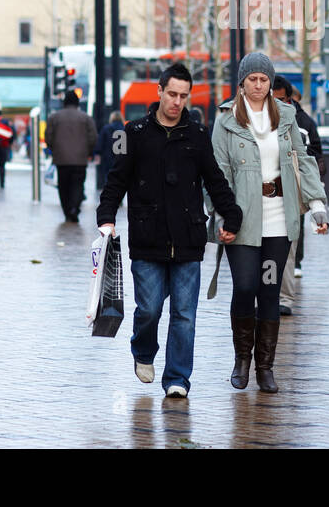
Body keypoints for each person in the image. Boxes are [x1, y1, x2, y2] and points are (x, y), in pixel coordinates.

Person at [97, 63, 241, 398]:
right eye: (172, 94)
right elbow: (115, 180)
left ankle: (177, 378)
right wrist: (107, 217)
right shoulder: (132, 133)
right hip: (147, 238)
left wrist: (230, 216)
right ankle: (143, 352)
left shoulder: (197, 135)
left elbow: (215, 180)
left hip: (189, 239)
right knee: (149, 309)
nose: (177, 101)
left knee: (184, 315)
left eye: (183, 96)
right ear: (159, 91)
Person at [211, 53, 328, 393]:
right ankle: (241, 360)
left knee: (270, 291)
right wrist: (222, 213)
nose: (259, 85)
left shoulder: (287, 116)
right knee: (245, 287)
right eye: (253, 79)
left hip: (279, 217)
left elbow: (303, 161)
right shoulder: (226, 119)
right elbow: (218, 171)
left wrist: (317, 203)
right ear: (242, 82)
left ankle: (265, 367)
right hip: (242, 218)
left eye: (264, 79)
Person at [271, 75, 323, 305]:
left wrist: (314, 186)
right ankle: (268, 293)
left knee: (292, 234)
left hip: (296, 184)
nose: (276, 104)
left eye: (281, 99)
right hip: (267, 192)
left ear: (289, 99)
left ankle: (285, 293)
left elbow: (313, 154)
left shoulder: (303, 121)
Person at [46, 89, 96, 221]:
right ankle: (75, 207)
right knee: (78, 184)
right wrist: (87, 151)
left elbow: (48, 137)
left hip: (61, 159)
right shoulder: (85, 118)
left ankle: (67, 210)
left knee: (63, 185)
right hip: (80, 159)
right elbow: (93, 137)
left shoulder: (54, 117)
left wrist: (54, 149)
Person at [94, 110, 125, 190]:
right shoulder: (125, 129)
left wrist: (97, 153)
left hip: (107, 159)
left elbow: (99, 144)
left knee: (108, 179)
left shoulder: (106, 128)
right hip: (122, 159)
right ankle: (119, 198)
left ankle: (110, 197)